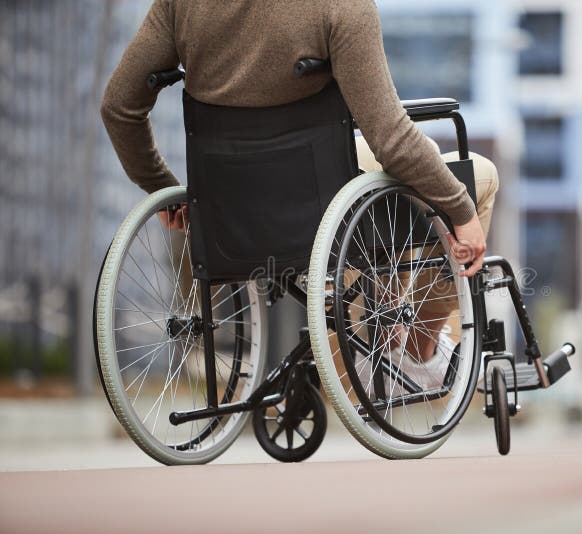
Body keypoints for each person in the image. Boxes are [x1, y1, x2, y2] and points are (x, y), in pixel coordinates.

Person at [101, 0, 499, 390]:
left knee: (416, 161)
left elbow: (118, 107)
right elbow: (391, 140)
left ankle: (383, 335)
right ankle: (417, 350)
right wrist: (460, 210)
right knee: (477, 177)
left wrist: (162, 188)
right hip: (319, 206)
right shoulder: (343, 7)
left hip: (229, 210)